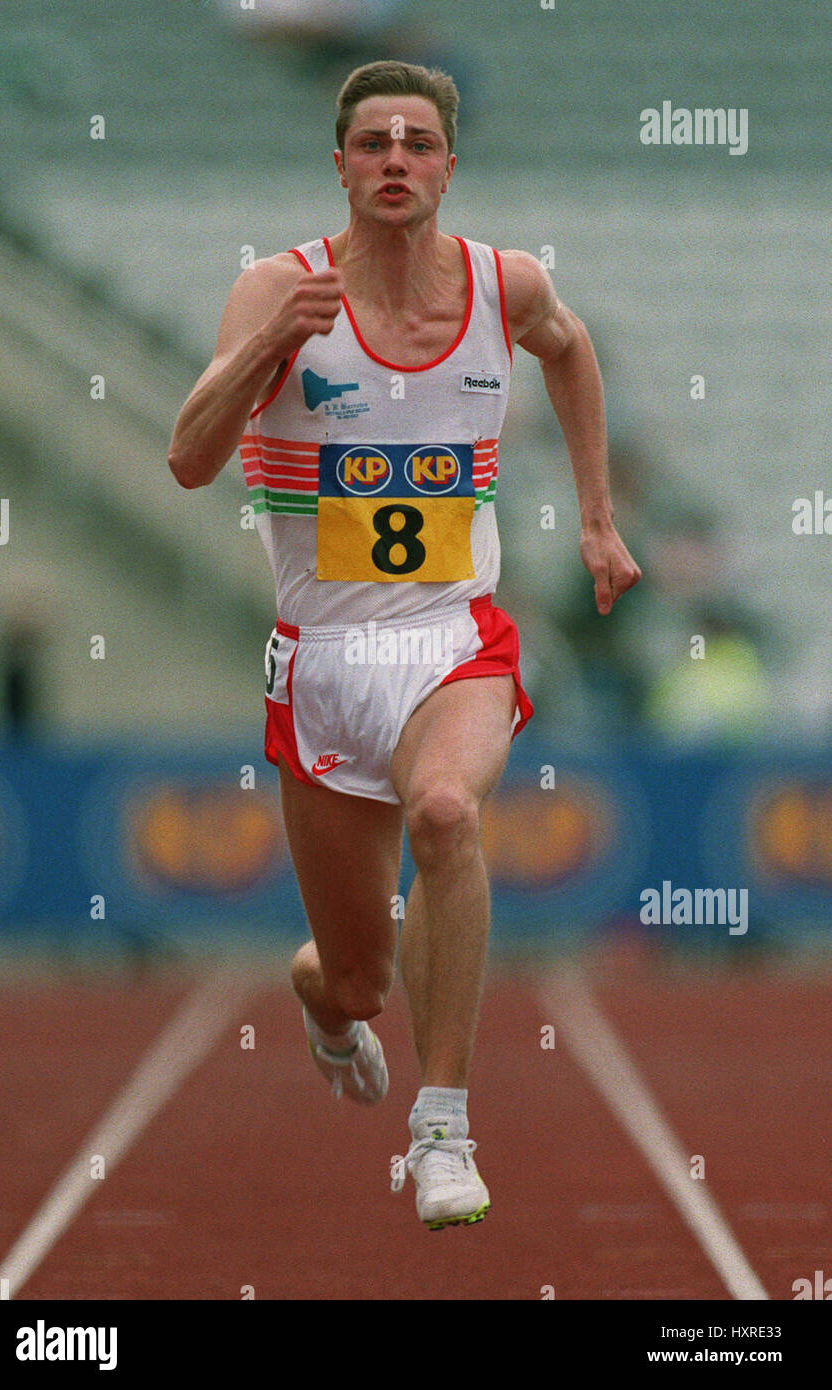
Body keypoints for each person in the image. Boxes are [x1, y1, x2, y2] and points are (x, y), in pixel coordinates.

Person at [168, 60, 641, 1230]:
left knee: (445, 815)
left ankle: (441, 1131)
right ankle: (323, 998)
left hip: (450, 640)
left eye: (416, 141)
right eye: (372, 141)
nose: (394, 159)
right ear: (339, 165)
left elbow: (570, 349)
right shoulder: (277, 287)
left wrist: (592, 515)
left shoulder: (500, 283)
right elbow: (186, 458)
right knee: (359, 975)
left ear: (444, 164)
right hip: (325, 663)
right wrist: (265, 344)